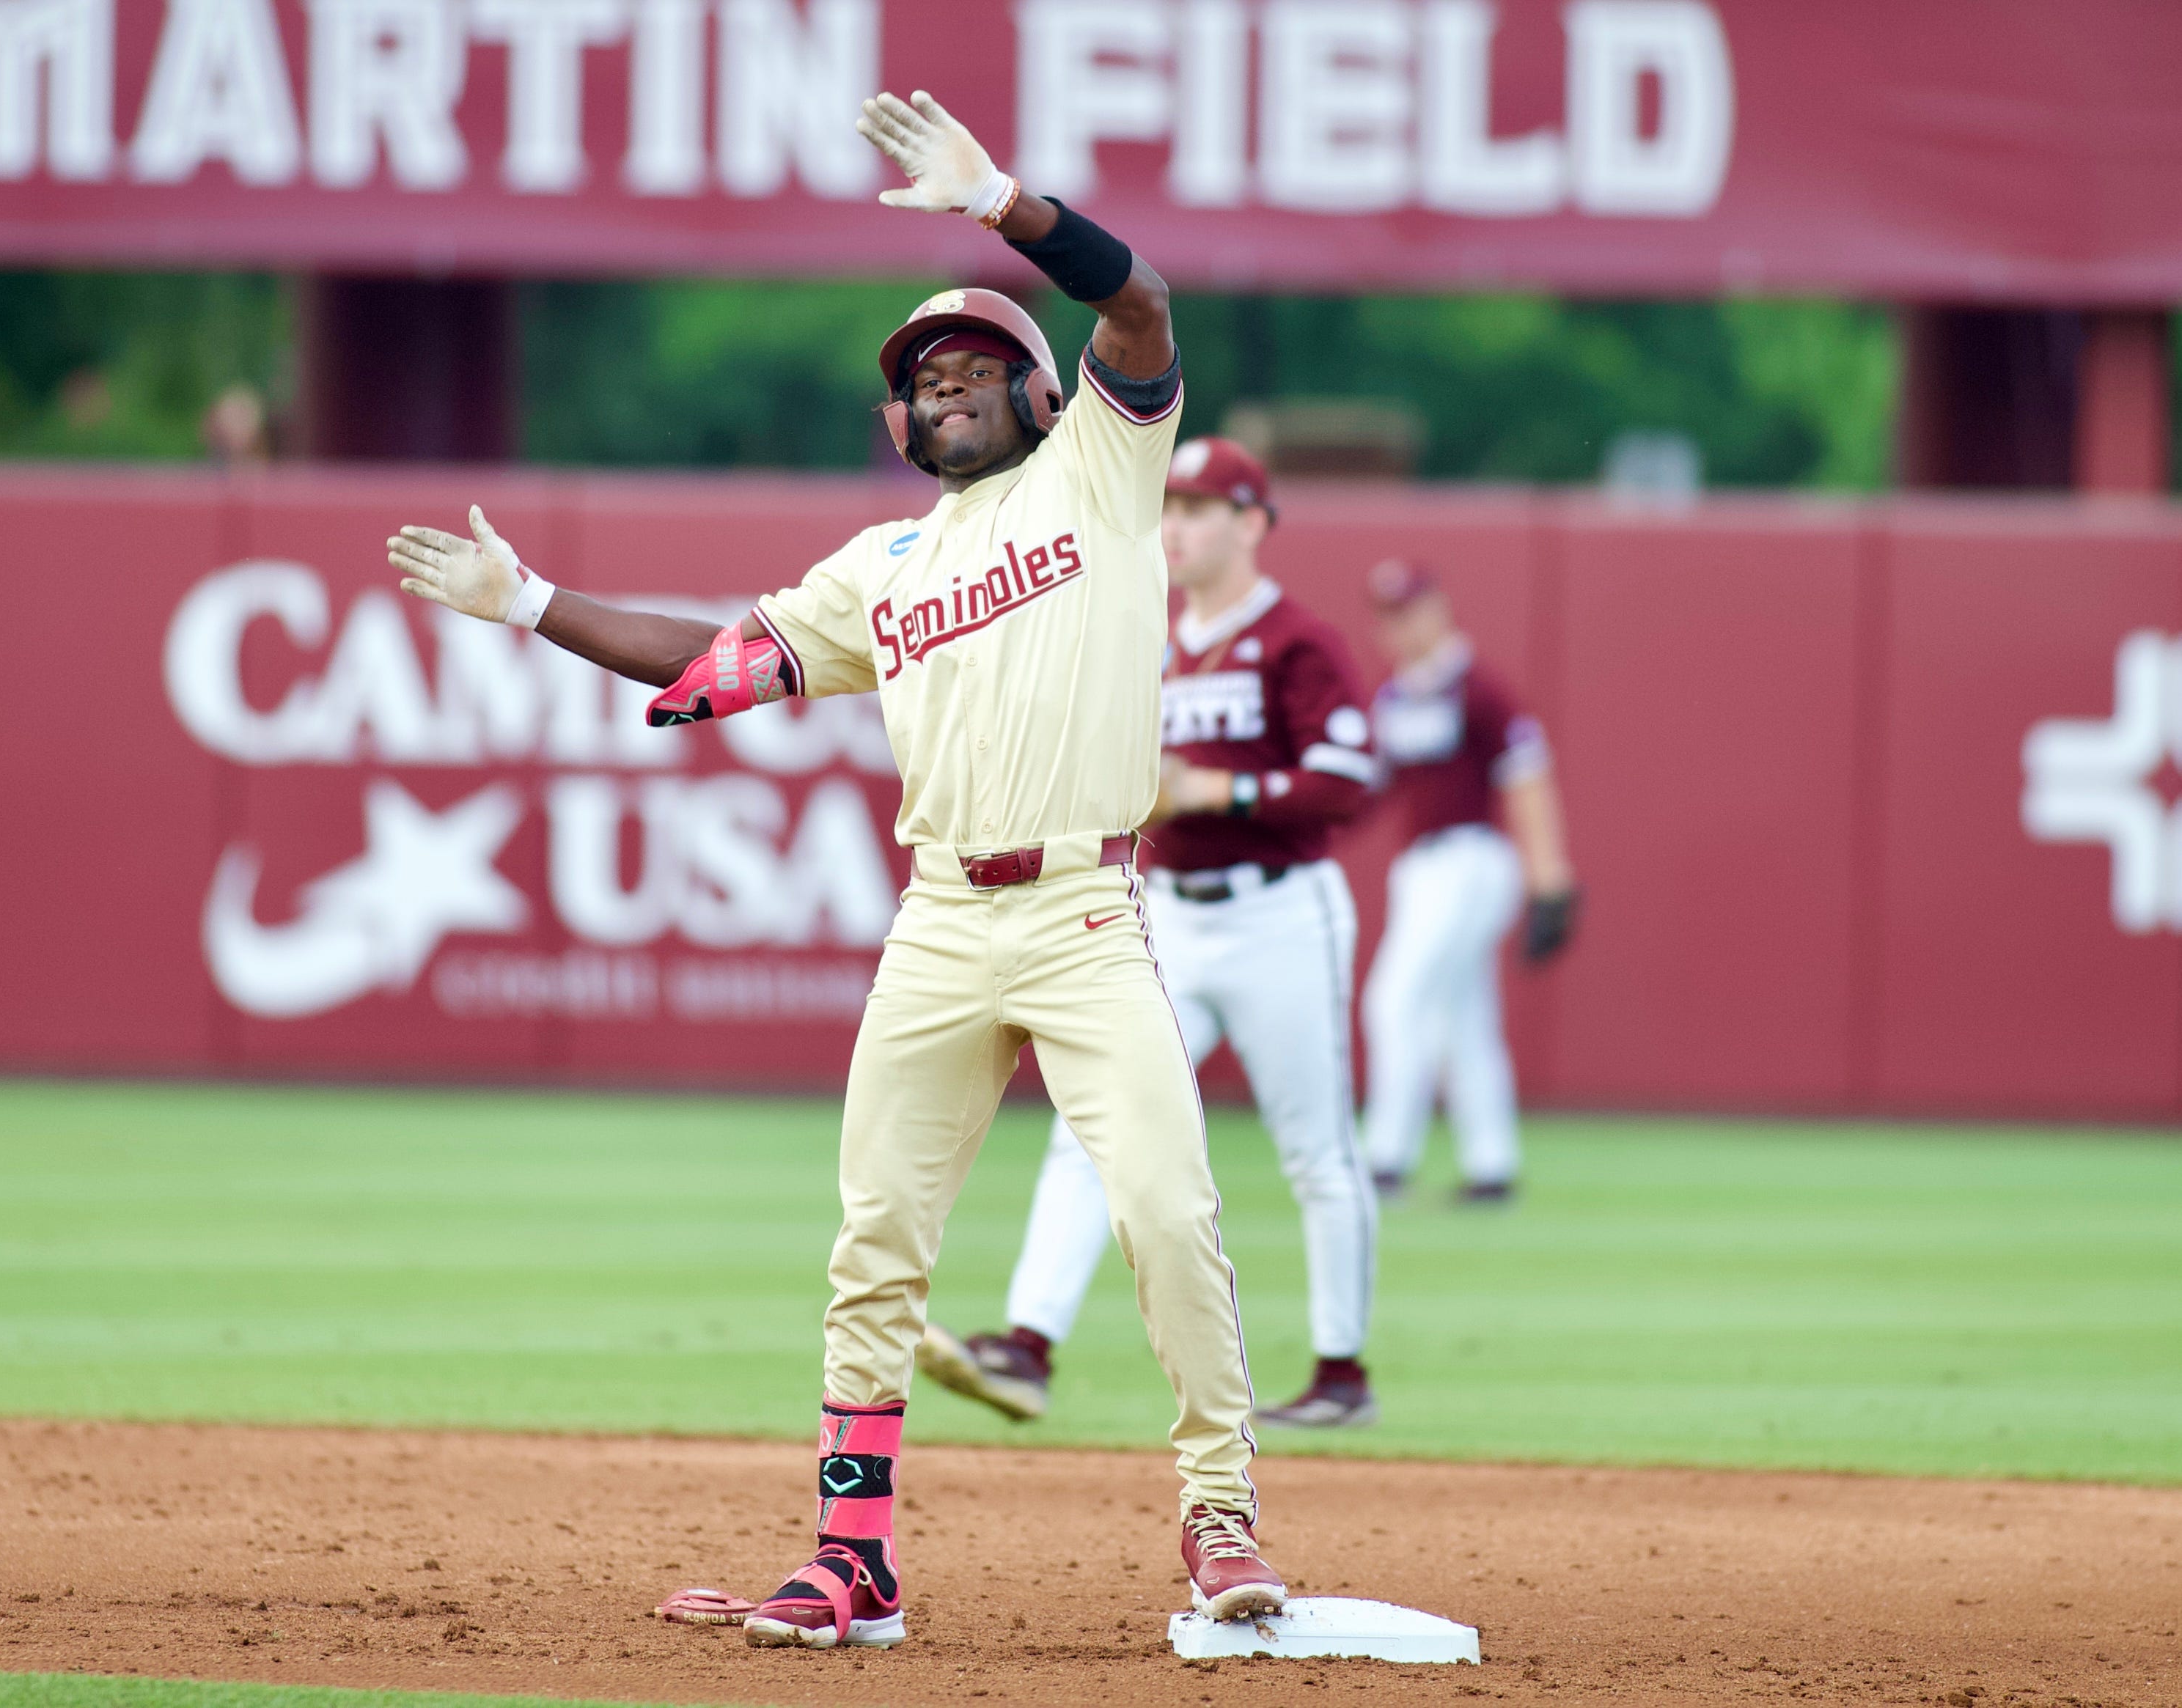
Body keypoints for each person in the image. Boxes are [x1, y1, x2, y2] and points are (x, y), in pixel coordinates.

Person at [385, 92, 1287, 1650]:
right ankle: (851, 1554)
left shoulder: (1101, 470)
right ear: (899, 422)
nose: (942, 389)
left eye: (968, 369)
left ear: (1029, 388)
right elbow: (721, 655)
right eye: (920, 380)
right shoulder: (879, 570)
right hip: (941, 916)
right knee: (874, 1238)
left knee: (1162, 1205)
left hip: (1082, 906)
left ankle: (1218, 1514)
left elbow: (1135, 303)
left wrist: (1000, 203)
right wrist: (532, 601)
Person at [917, 437, 1386, 1431]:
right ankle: (1027, 1345)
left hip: (1280, 909)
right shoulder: (1147, 631)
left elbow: (1348, 780)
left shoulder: (1297, 639)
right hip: (1168, 908)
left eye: (1201, 507)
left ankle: (1342, 1373)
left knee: (1317, 1152)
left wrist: (1222, 785)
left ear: (1252, 523)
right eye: (1168, 504)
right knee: (1089, 1130)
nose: (1174, 523)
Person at [1353, 559, 1577, 1204]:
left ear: (1440, 609)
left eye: (1410, 610)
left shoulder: (1477, 688)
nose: (1400, 627)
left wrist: (1550, 879)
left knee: (1394, 1000)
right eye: (1387, 616)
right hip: (1419, 870)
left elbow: (1528, 779)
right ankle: (1492, 1164)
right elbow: (1370, 792)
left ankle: (1385, 1159)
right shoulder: (1393, 696)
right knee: (1462, 1018)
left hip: (1471, 862)